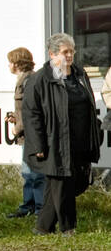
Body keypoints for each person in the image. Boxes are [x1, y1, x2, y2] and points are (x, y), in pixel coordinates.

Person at [23, 33, 99, 235]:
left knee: (66, 183)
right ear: (52, 54)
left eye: (72, 51)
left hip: (79, 140)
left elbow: (89, 104)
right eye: (65, 52)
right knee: (62, 183)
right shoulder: (40, 80)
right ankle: (68, 228)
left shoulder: (79, 75)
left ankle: (43, 227)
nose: (70, 56)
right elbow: (32, 115)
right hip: (54, 141)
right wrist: (37, 145)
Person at [3, 47, 44, 218]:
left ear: (17, 63)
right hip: (26, 133)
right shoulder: (24, 79)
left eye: (10, 62)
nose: (8, 65)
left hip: (30, 134)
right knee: (28, 173)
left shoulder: (28, 81)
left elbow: (31, 111)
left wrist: (17, 127)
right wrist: (15, 117)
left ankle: (39, 209)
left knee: (34, 174)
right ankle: (29, 206)